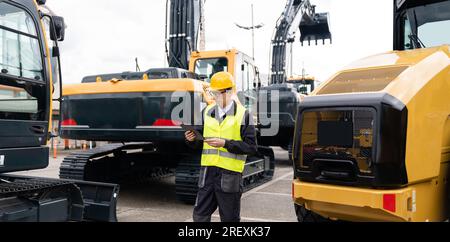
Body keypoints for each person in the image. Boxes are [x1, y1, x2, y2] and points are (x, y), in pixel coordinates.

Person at [185, 71, 257, 222]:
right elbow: (198, 141)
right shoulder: (206, 112)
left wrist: (226, 143)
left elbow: (251, 148)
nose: (214, 97)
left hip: (230, 176)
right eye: (213, 93)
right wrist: (191, 139)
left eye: (217, 93)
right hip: (208, 173)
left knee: (230, 219)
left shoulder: (244, 116)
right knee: (200, 216)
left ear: (230, 91)